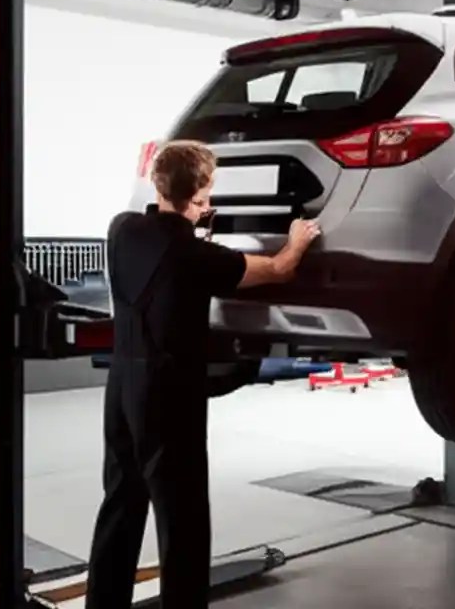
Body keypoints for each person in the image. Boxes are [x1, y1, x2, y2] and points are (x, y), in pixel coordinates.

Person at [85, 140, 320, 609]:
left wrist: (192, 225)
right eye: (207, 192)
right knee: (184, 522)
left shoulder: (122, 230)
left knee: (121, 506)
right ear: (200, 196)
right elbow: (277, 269)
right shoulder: (197, 258)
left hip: (123, 390)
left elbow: (164, 250)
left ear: (156, 184)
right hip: (171, 398)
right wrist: (297, 240)